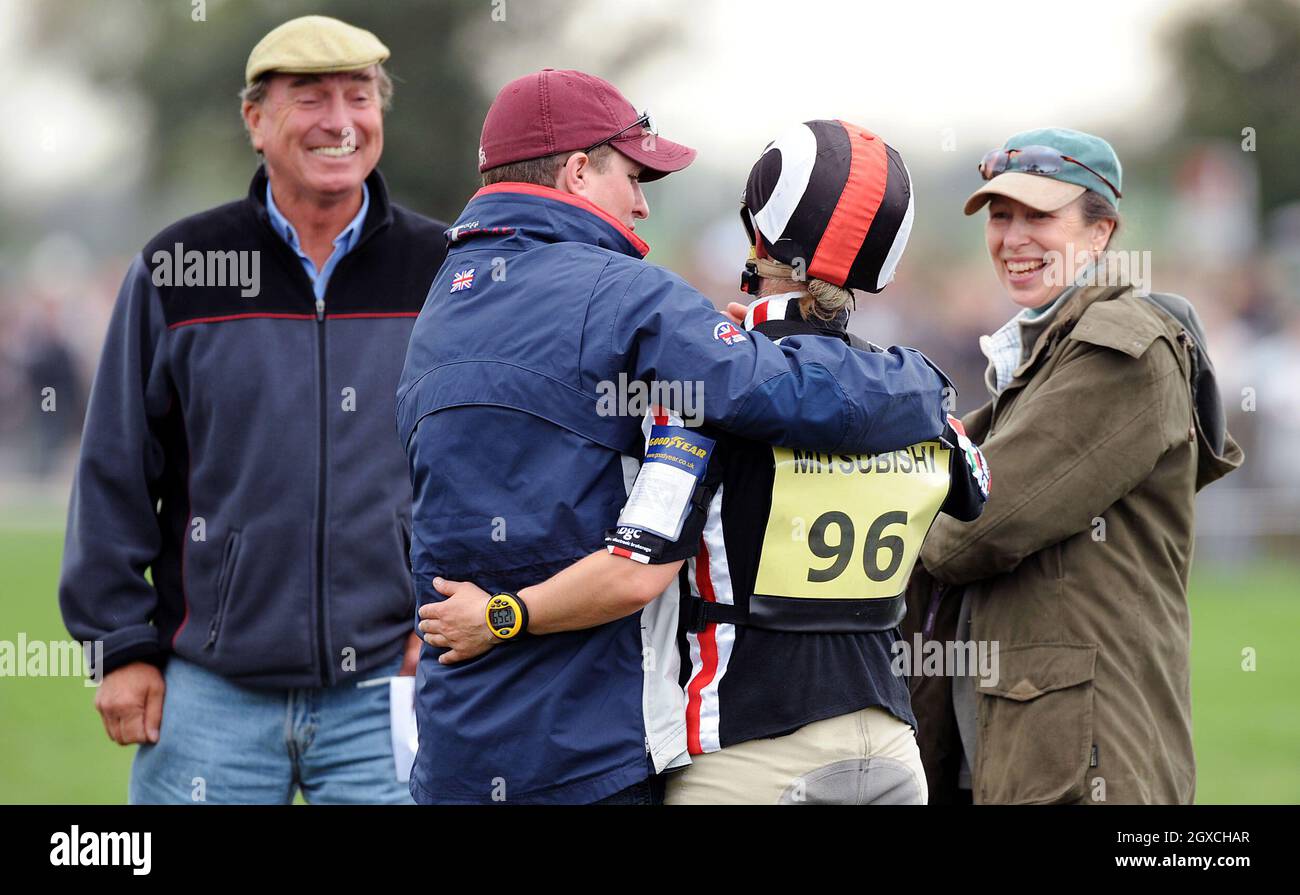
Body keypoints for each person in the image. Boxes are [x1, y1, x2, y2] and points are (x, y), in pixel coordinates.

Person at [398, 71, 955, 804]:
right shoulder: (624, 291)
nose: (642, 201)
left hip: (456, 744)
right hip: (587, 750)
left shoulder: (439, 301)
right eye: (632, 175)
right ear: (575, 171)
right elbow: (771, 386)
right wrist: (922, 384)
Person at [59, 15, 448, 804]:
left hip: (391, 687)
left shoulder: (443, 269)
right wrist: (120, 646)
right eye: (310, 98)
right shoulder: (180, 267)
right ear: (255, 119)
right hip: (210, 690)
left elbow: (483, 467)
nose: (340, 121)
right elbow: (114, 468)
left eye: (359, 96)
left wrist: (440, 621)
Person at [901, 127, 1244, 804]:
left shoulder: (1123, 351)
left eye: (1040, 216)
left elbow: (979, 525)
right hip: (1026, 744)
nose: (1014, 238)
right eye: (1001, 216)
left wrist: (903, 509)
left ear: (1099, 233)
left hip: (1086, 762)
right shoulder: (1045, 352)